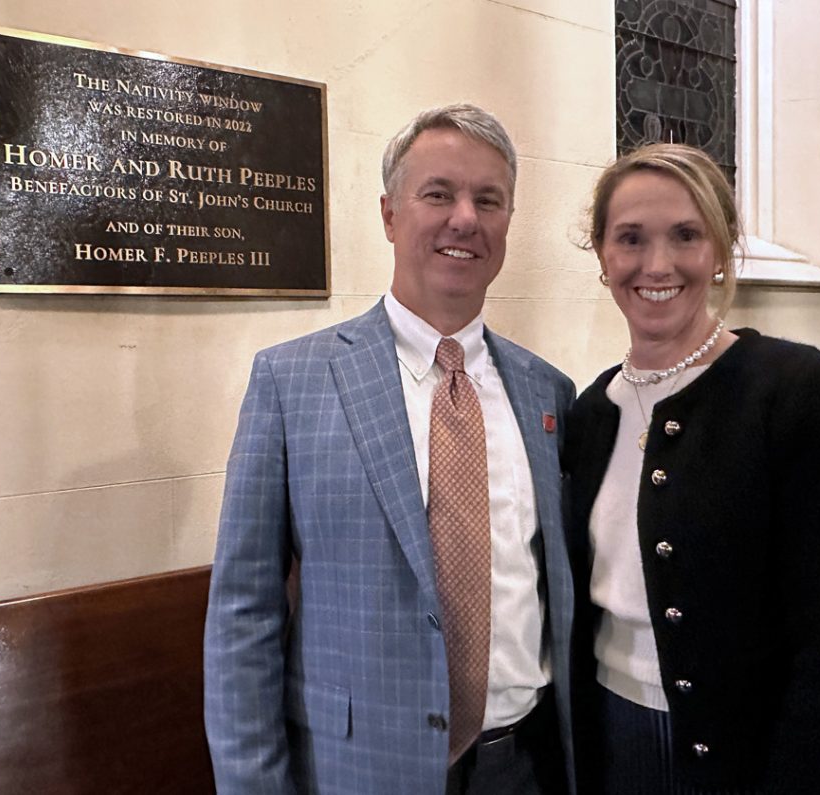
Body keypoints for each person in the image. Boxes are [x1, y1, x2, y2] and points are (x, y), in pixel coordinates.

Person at [204, 103, 577, 795]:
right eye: (438, 193)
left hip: (525, 765)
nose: (464, 217)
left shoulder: (547, 391)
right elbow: (242, 613)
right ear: (388, 215)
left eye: (487, 200)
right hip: (358, 769)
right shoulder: (292, 382)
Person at [563, 143, 820, 794]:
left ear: (719, 248)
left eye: (685, 234)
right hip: (608, 740)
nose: (657, 263)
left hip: (748, 758)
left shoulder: (800, 393)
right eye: (630, 238)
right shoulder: (590, 411)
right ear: (602, 256)